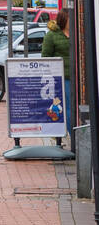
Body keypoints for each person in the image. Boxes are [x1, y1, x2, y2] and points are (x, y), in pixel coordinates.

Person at [41, 10, 73, 144]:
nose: (72, 21)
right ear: (63, 20)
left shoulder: (76, 33)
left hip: (77, 77)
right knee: (68, 108)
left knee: (73, 107)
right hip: (61, 78)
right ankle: (73, 137)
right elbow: (45, 57)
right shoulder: (52, 36)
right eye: (69, 18)